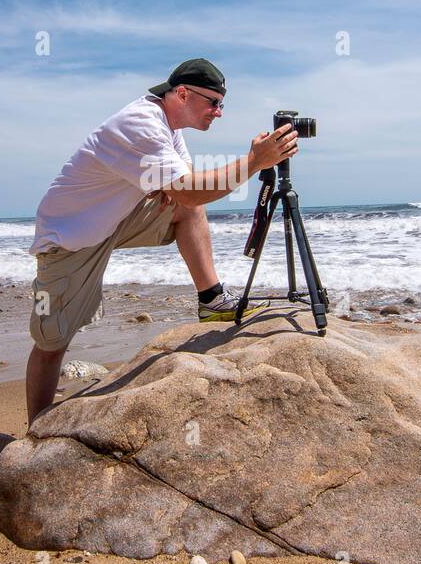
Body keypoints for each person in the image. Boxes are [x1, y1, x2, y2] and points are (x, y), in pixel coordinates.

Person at [23, 58, 299, 423]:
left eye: (222, 104)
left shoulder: (170, 128)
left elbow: (186, 194)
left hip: (117, 221)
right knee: (51, 343)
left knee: (187, 210)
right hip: (70, 237)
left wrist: (181, 192)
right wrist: (253, 161)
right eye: (213, 102)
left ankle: (212, 299)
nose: (218, 113)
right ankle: (36, 432)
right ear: (182, 93)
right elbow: (190, 191)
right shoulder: (140, 123)